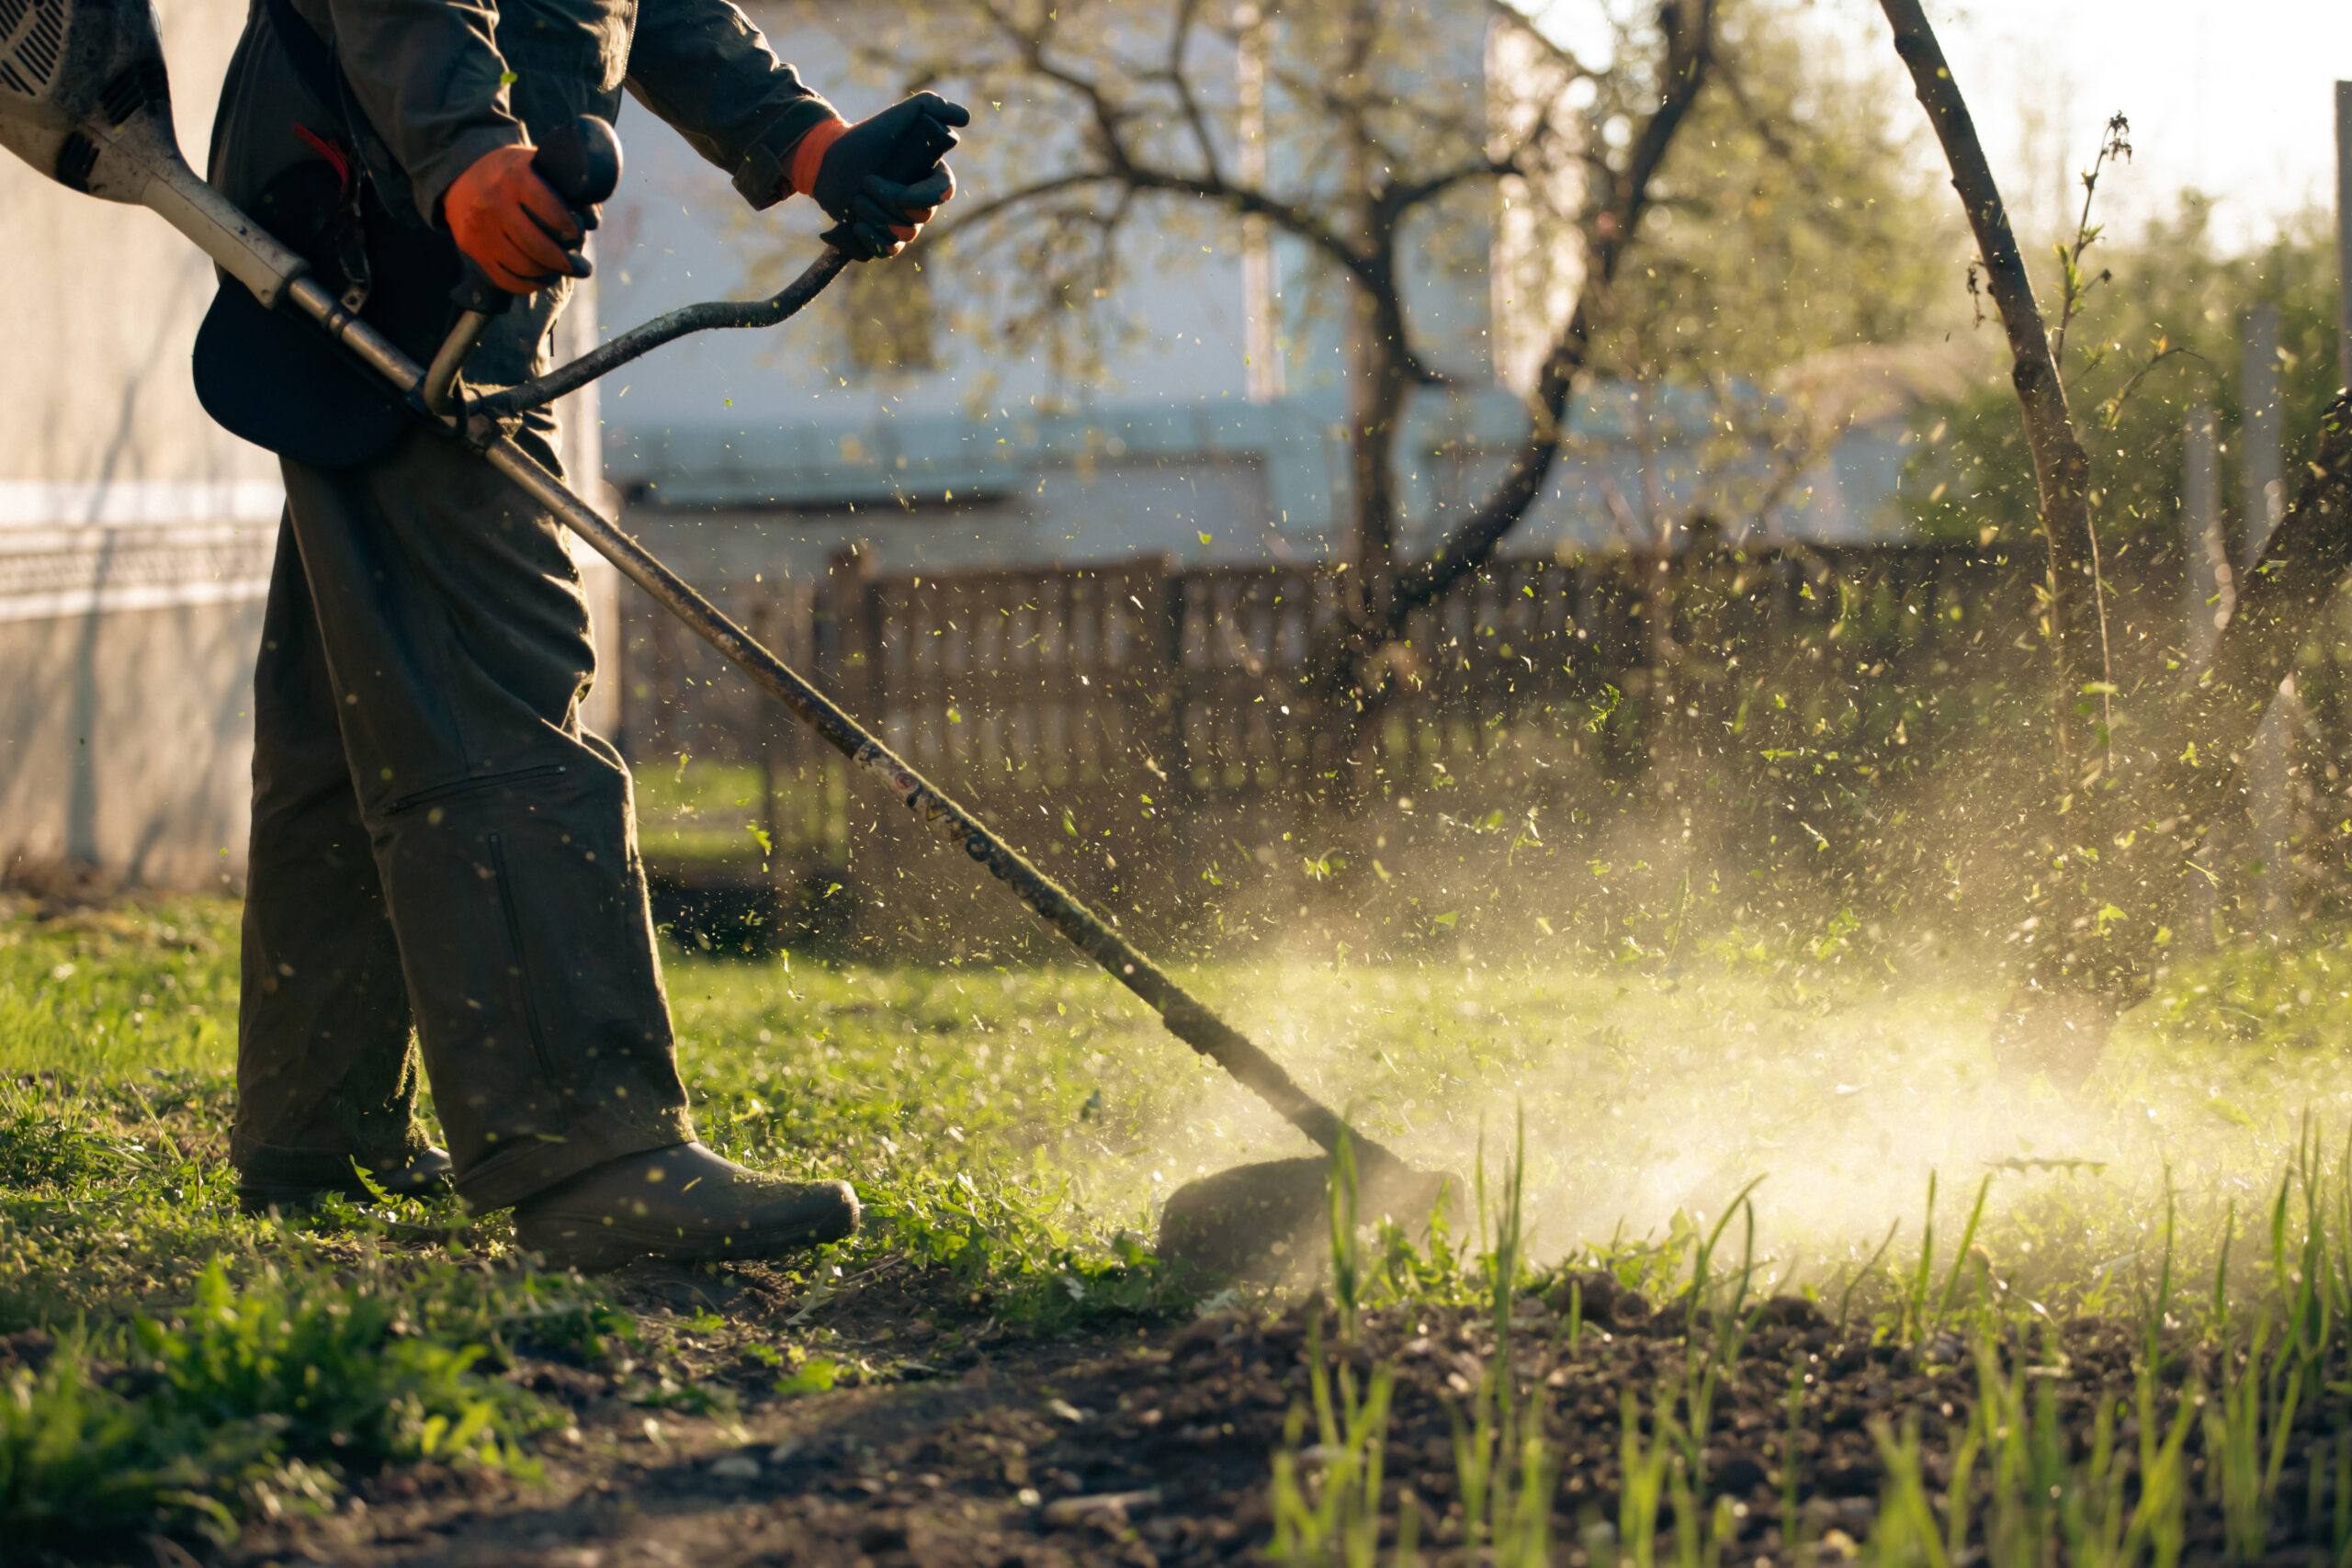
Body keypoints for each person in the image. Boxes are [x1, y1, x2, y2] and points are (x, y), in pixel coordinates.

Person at [202, 0, 964, 1269]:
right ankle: (594, 1150)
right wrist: (462, 151)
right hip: (393, 249)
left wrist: (809, 142)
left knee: (361, 705)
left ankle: (319, 1124)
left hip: (445, 259)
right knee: (501, 690)